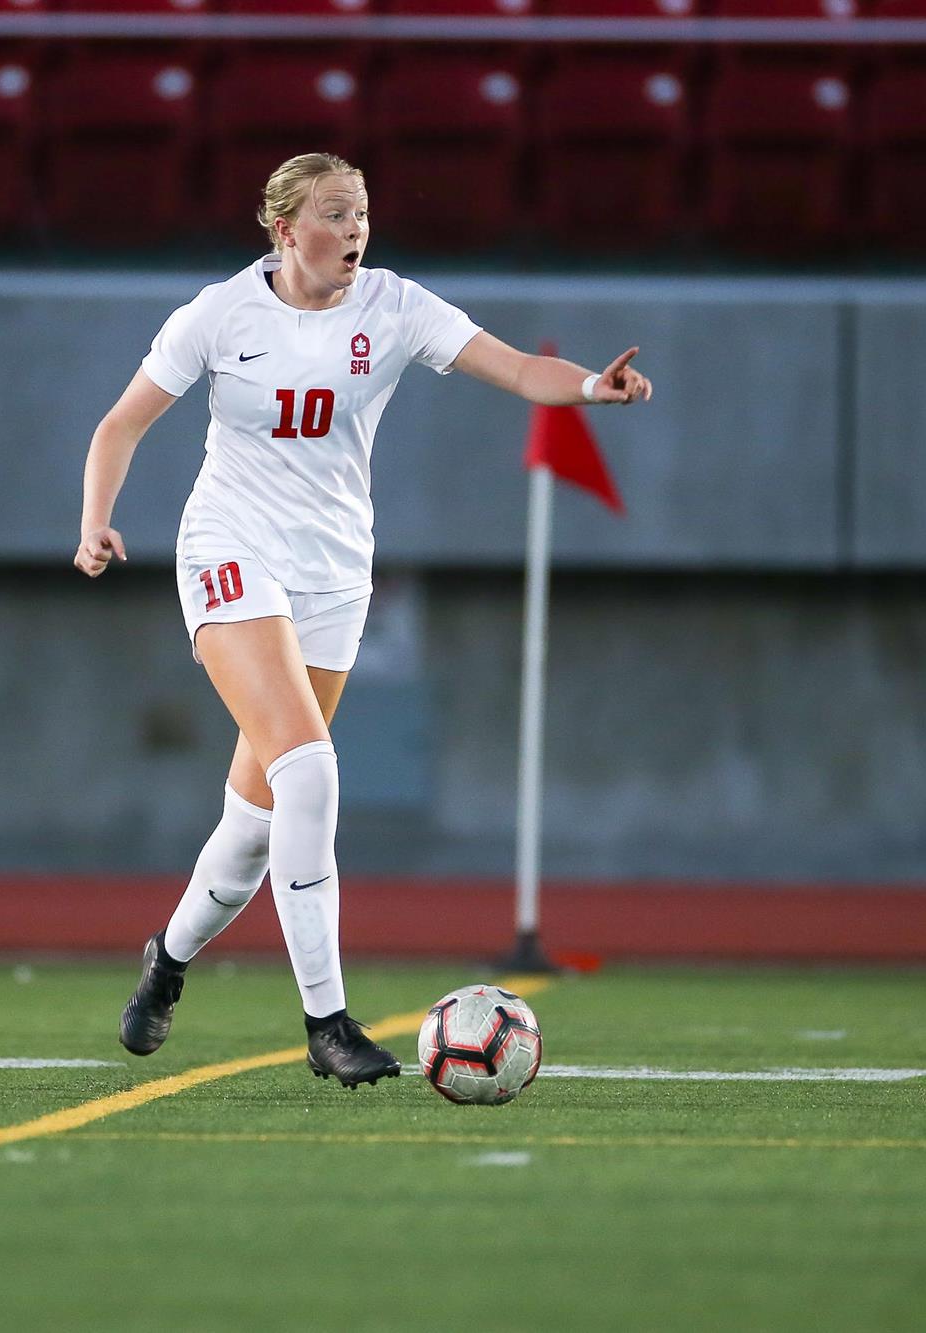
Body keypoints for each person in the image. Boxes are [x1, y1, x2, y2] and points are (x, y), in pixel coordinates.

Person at [75, 152, 651, 1088]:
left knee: (257, 824)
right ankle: (327, 1022)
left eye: (364, 214)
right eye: (337, 214)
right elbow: (118, 425)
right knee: (312, 776)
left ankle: (167, 961)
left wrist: (590, 386)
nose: (355, 231)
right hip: (227, 551)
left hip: (335, 576)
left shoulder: (393, 305)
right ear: (284, 228)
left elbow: (511, 368)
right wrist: (97, 520)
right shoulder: (220, 313)